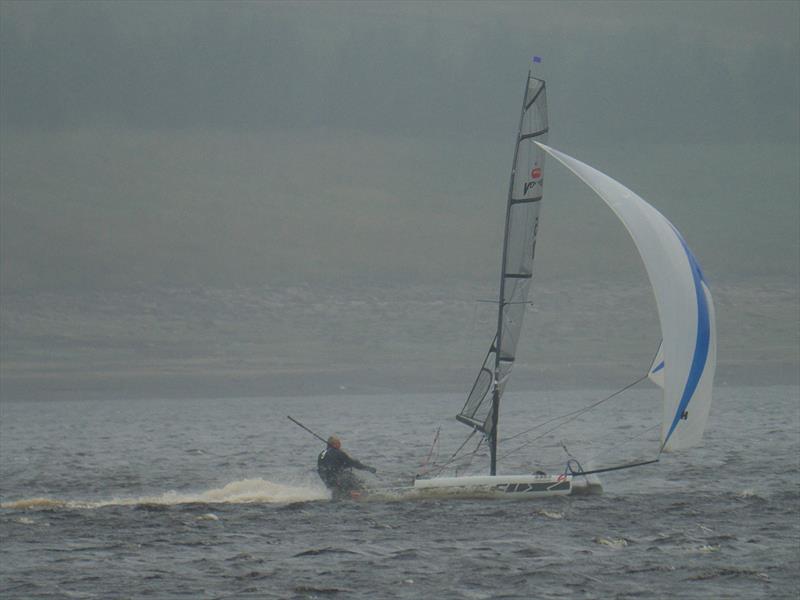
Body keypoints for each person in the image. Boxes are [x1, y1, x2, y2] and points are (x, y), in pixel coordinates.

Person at [317, 435, 376, 500]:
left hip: (324, 477)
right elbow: (353, 464)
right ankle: (358, 495)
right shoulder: (338, 453)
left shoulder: (322, 453)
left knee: (337, 488)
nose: (340, 445)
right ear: (335, 444)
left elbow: (332, 463)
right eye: (339, 443)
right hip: (335, 476)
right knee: (355, 482)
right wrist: (368, 468)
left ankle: (342, 494)